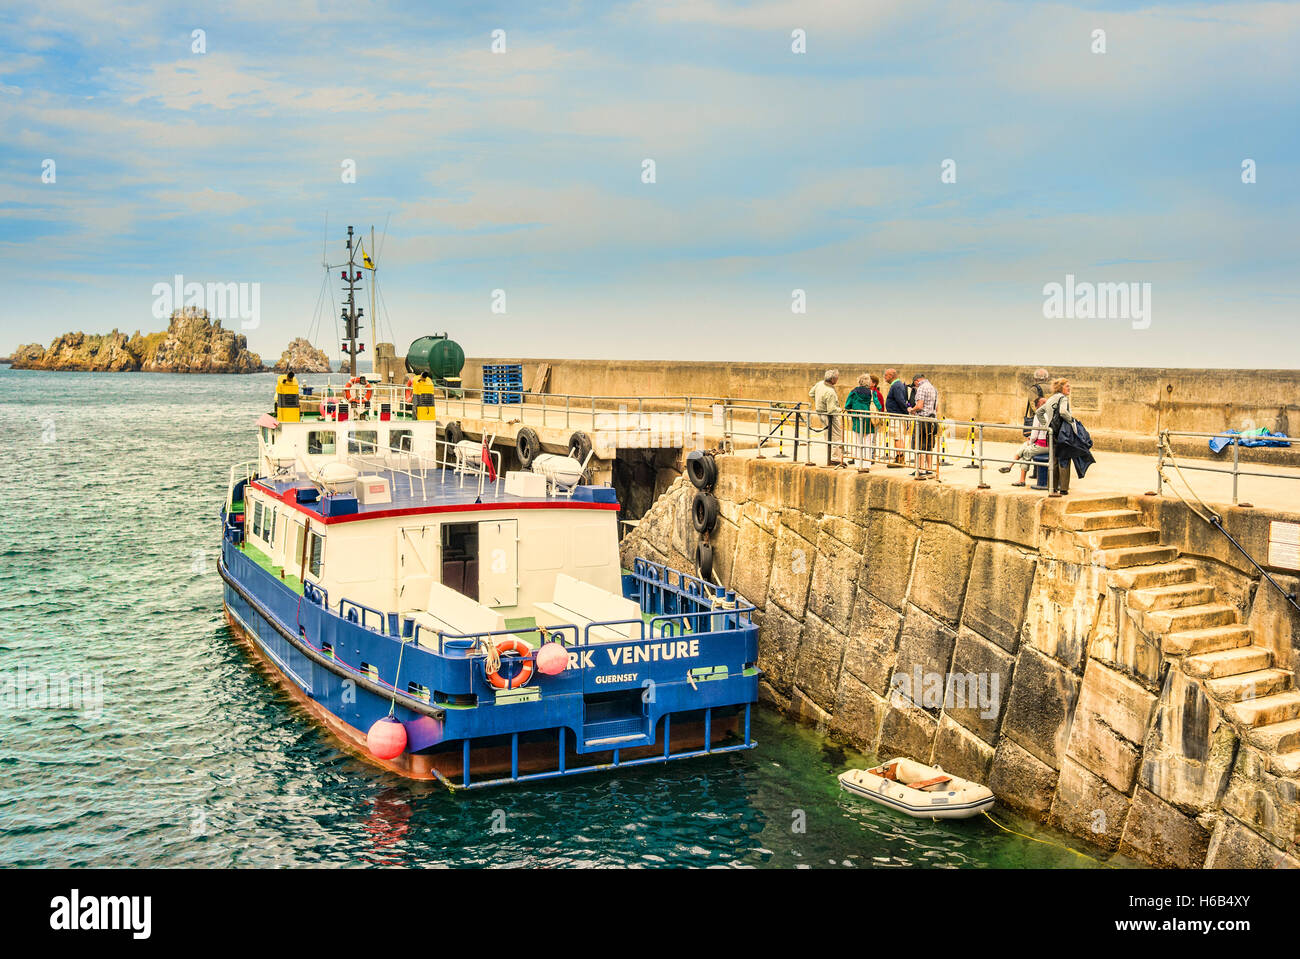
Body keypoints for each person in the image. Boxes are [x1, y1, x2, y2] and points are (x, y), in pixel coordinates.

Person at [1036, 378, 1075, 494]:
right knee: (1064, 459)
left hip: (1051, 433)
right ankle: (1063, 489)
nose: (1069, 388)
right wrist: (1072, 421)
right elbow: (1063, 412)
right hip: (1062, 434)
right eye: (1067, 386)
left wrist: (1045, 425)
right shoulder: (1063, 398)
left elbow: (1039, 412)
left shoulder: (1051, 399)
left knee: (1053, 460)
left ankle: (1052, 487)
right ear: (1061, 387)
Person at [1001, 395, 1048, 486]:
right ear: (1038, 406)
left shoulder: (1039, 414)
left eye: (1046, 402)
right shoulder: (1051, 413)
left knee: (1026, 451)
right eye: (1043, 403)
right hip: (1048, 444)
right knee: (1024, 445)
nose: (1046, 404)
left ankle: (1021, 480)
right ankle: (1009, 466)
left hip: (1045, 445)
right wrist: (1030, 441)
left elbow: (1034, 434)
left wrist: (1030, 442)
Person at [843, 374, 883, 468]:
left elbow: (847, 406)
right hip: (870, 422)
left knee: (857, 444)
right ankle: (867, 465)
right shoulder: (873, 393)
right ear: (869, 382)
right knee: (868, 444)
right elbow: (879, 407)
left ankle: (858, 464)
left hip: (857, 421)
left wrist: (853, 414)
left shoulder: (853, 392)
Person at [809, 369, 844, 466]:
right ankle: (835, 458)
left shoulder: (819, 384)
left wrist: (819, 401)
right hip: (829, 415)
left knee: (827, 435)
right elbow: (831, 409)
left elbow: (811, 393)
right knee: (836, 436)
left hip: (820, 413)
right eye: (837, 378)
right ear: (833, 379)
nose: (837, 380)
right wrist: (841, 410)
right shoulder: (830, 392)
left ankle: (830, 456)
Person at [909, 373, 939, 476]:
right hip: (932, 420)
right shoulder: (934, 388)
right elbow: (937, 408)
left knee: (919, 444)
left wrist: (911, 409)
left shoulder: (921, 388)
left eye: (915, 384)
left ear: (916, 381)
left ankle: (920, 469)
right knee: (929, 445)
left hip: (922, 420)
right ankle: (929, 469)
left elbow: (920, 406)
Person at [883, 368, 910, 467]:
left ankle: (900, 459)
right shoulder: (897, 385)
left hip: (896, 415)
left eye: (886, 375)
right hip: (896, 415)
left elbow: (900, 401)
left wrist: (905, 413)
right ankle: (899, 458)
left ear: (891, 376)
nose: (884, 377)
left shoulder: (896, 386)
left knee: (897, 437)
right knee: (897, 437)